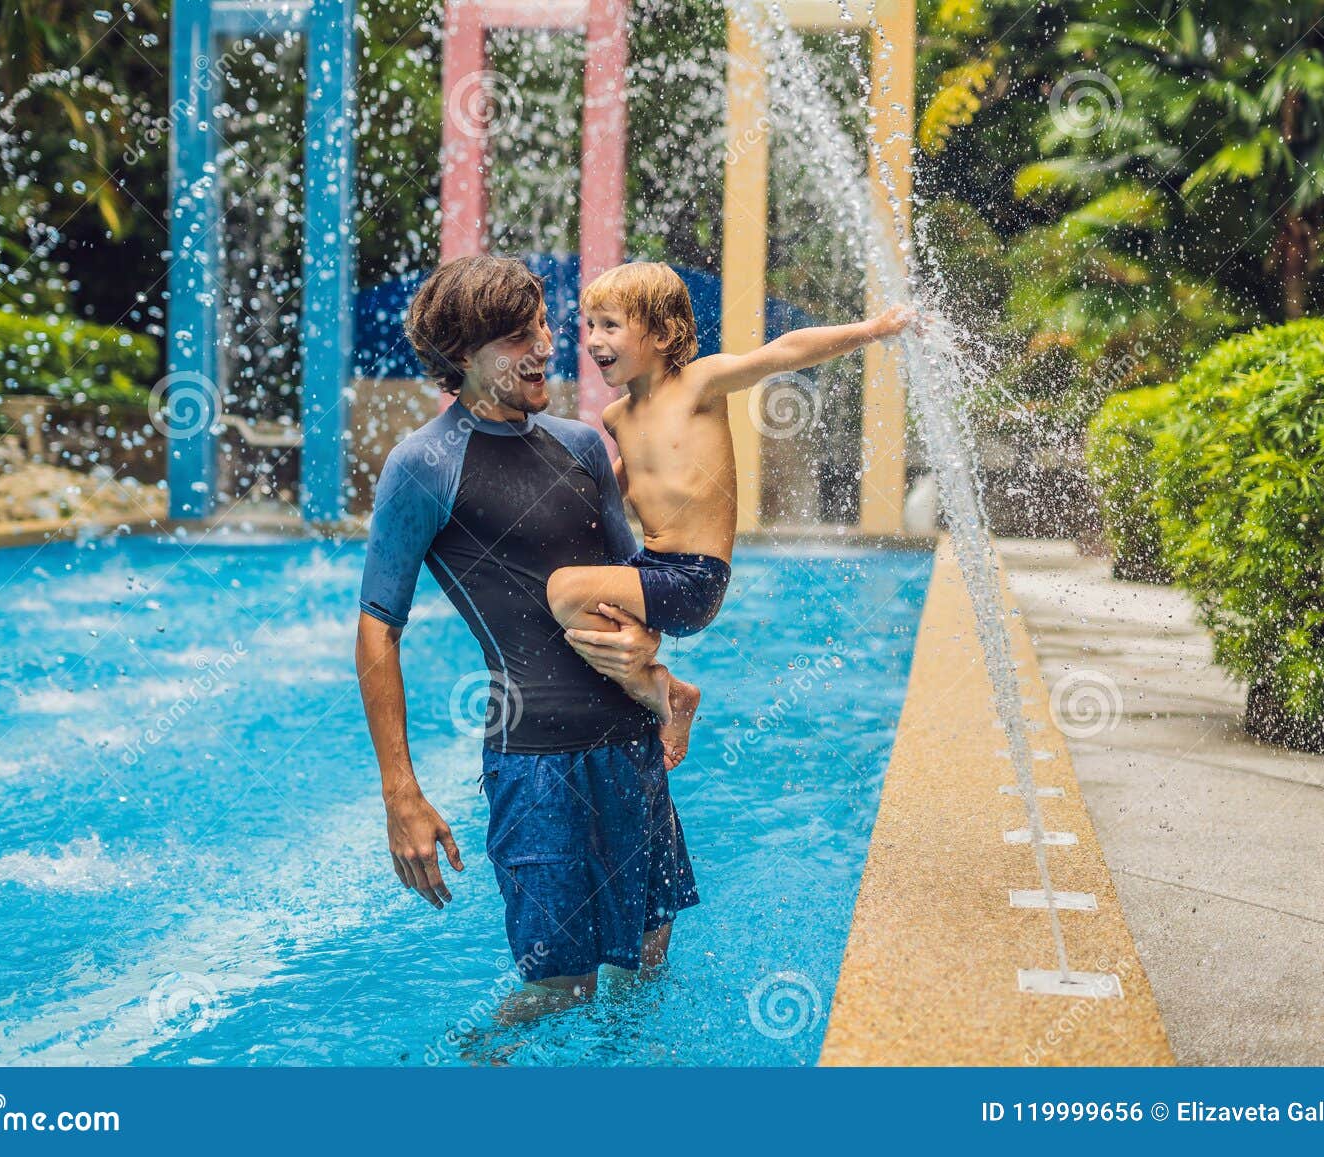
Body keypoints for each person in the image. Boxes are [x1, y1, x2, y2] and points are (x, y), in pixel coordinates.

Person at [355, 255, 699, 1010]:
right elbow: (379, 629)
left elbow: (632, 582)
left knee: (649, 956)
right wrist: (400, 794)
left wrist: (655, 660)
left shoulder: (579, 448)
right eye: (517, 337)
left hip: (630, 748)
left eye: (543, 324)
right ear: (461, 359)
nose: (545, 345)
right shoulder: (424, 466)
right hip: (535, 765)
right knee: (555, 988)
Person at [547, 261, 917, 768]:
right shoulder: (617, 416)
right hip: (649, 569)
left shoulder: (700, 384)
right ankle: (644, 652)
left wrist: (873, 329)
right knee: (557, 598)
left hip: (695, 578)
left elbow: (782, 353)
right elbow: (621, 485)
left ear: (661, 334)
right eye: (590, 326)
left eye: (610, 325)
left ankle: (663, 688)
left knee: (565, 589)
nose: (593, 339)